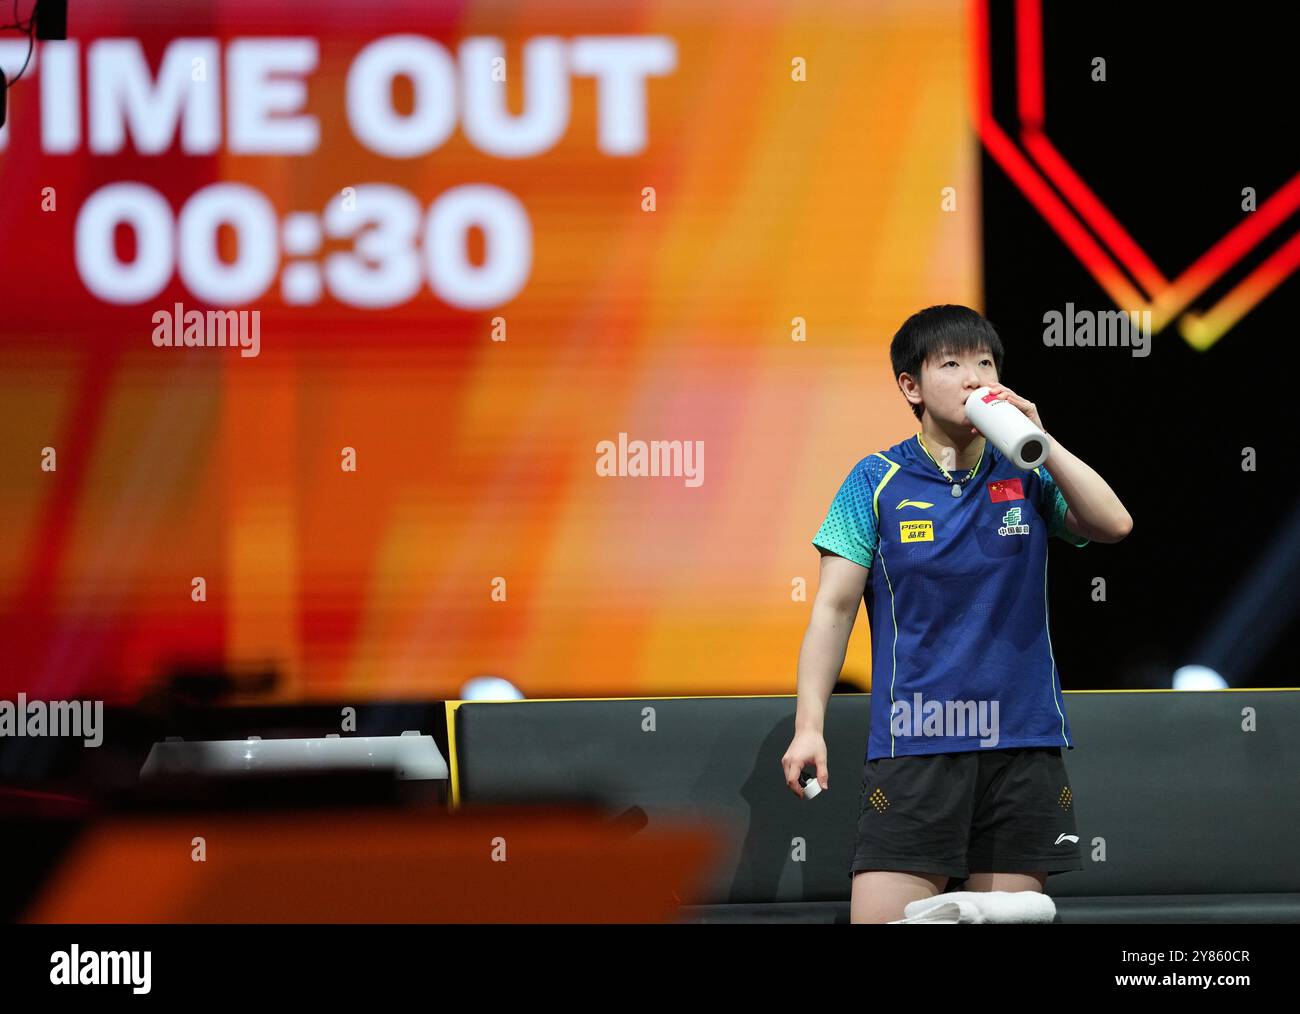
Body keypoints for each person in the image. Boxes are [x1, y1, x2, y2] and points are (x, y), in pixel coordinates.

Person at [781, 304, 1133, 923]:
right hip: (918, 742)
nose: (975, 377)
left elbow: (1113, 524)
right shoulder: (875, 479)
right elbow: (834, 611)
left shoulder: (1026, 472)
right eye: (952, 363)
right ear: (909, 388)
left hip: (1022, 741)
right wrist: (809, 724)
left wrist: (1042, 442)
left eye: (986, 362)